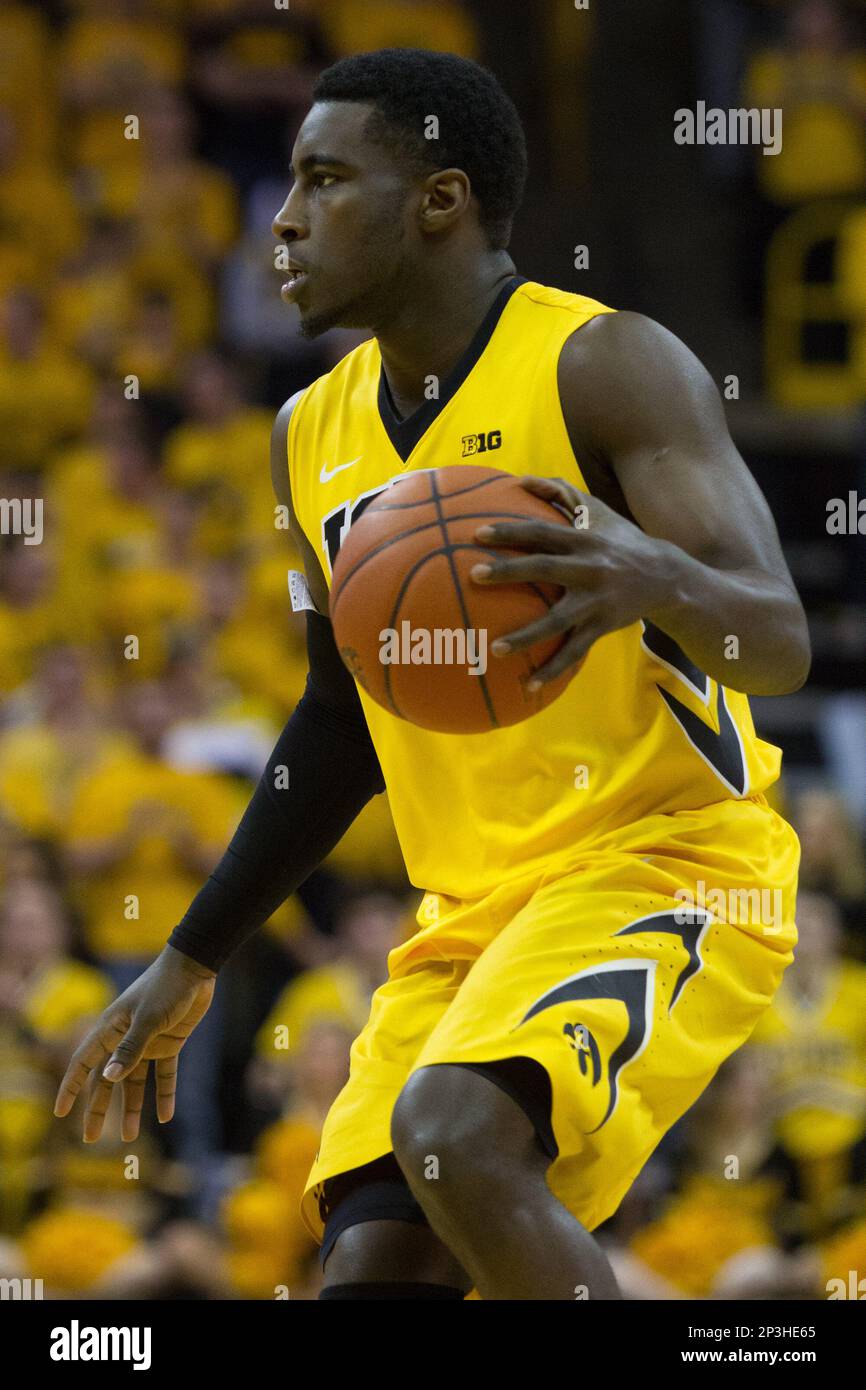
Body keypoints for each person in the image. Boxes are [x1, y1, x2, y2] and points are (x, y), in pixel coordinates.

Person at [55, 48, 811, 1301]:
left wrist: (654, 579)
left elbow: (777, 638)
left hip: (666, 859)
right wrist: (191, 957)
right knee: (370, 1272)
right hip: (469, 915)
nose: (282, 218)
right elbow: (337, 722)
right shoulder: (310, 431)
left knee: (459, 1140)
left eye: (323, 178)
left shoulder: (605, 365)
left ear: (439, 201)